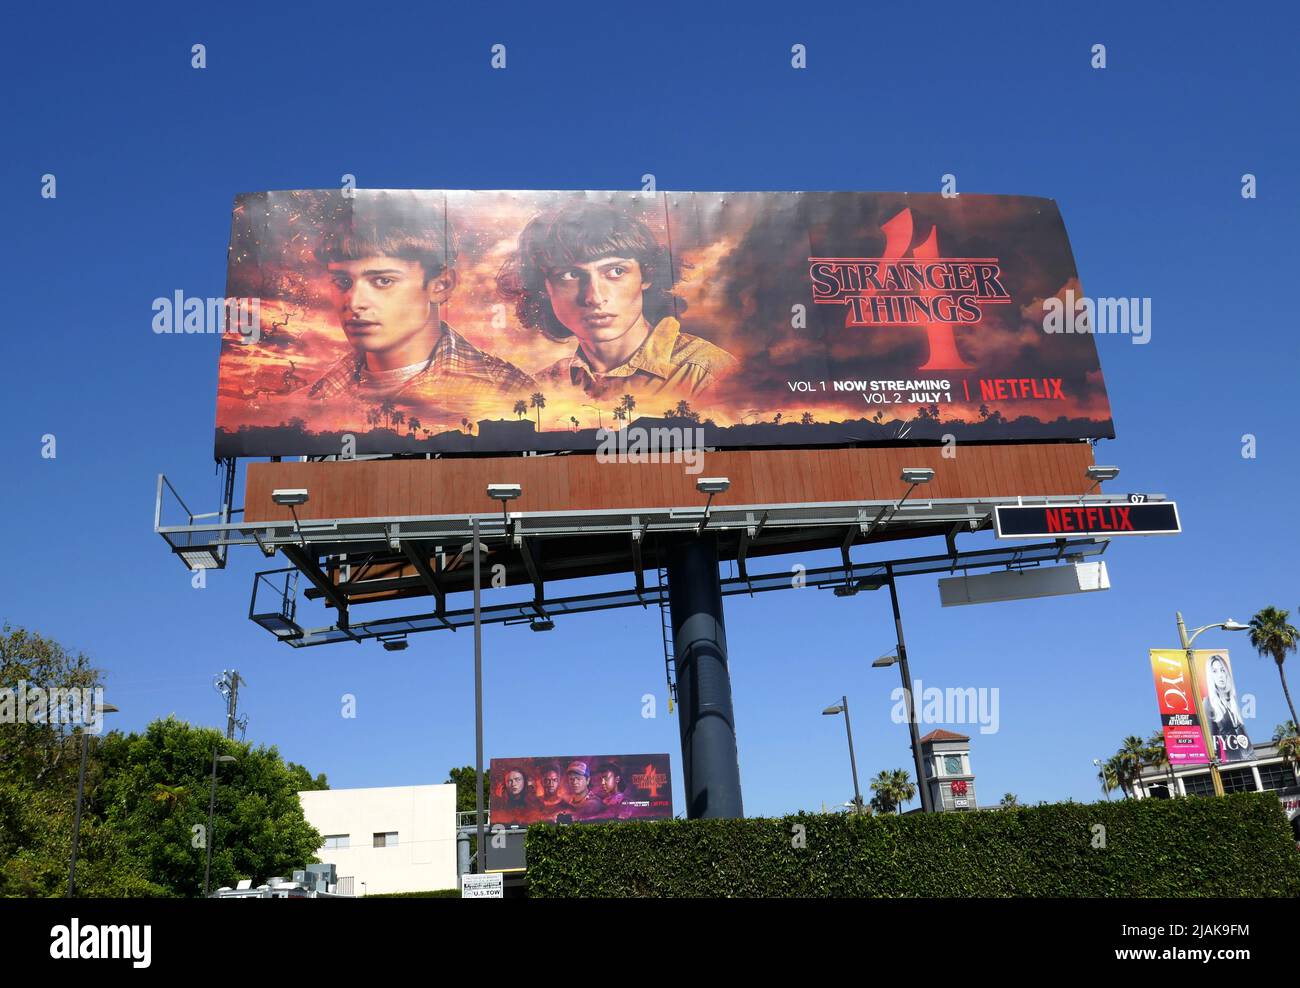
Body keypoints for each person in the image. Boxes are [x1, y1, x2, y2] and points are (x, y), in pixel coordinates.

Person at [307, 191, 533, 415]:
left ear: (441, 285)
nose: (355, 302)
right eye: (342, 281)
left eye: (383, 281)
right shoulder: (309, 401)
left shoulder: (512, 392)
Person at [496, 200, 735, 401]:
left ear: (647, 275)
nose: (595, 297)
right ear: (544, 288)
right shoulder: (541, 389)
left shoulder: (709, 374)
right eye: (570, 275)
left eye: (616, 271)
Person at [1203, 654, 1254, 763]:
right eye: (1215, 671)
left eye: (1222, 670)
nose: (1220, 675)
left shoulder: (1232, 700)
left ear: (1227, 672)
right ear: (1210, 676)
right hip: (1229, 761)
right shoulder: (1209, 703)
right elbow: (1212, 740)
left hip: (1248, 757)